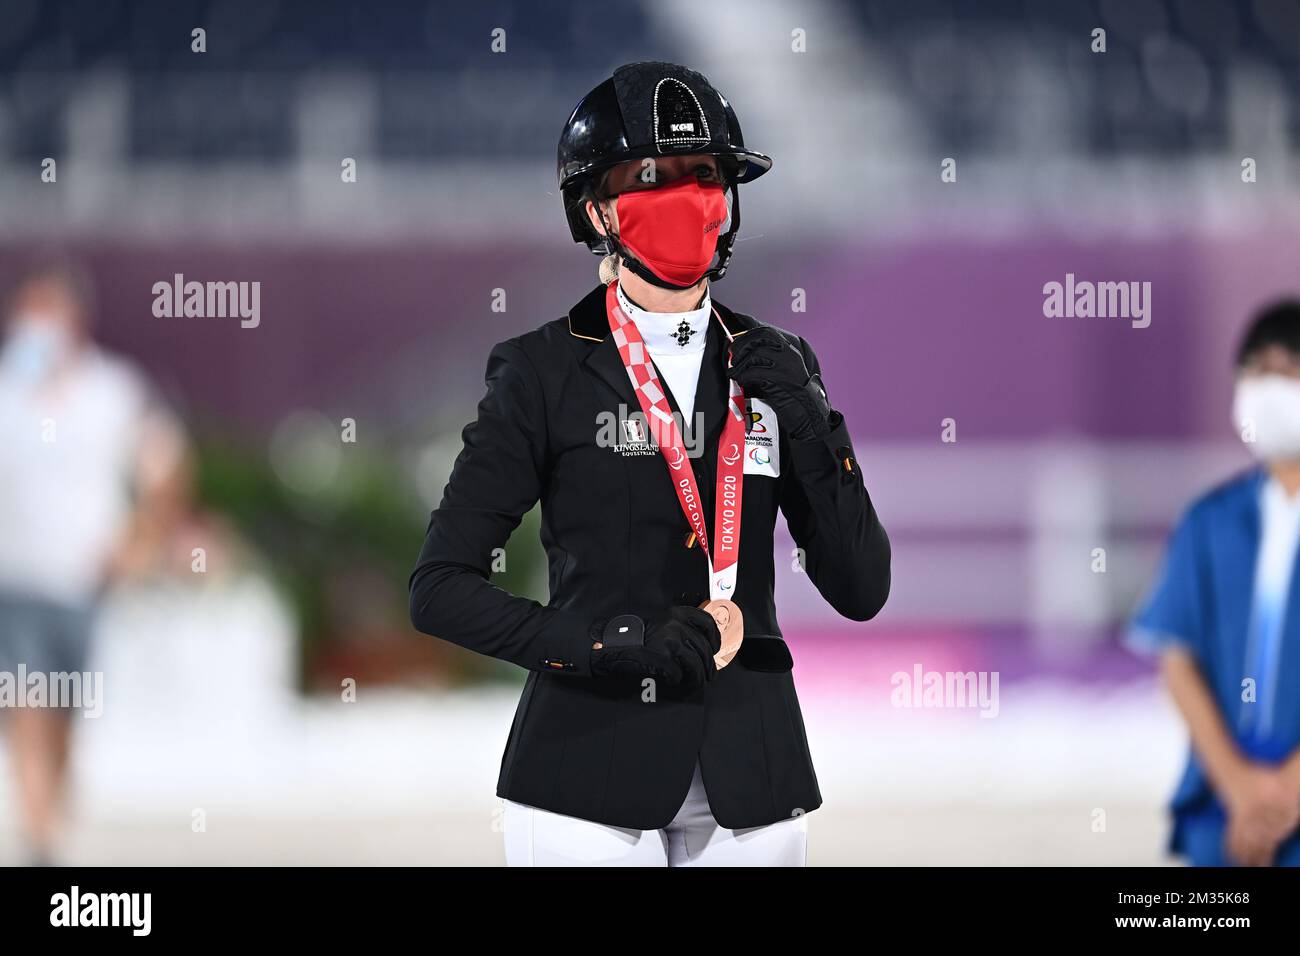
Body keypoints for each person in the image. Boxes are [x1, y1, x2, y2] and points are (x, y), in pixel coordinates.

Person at [410, 62, 890, 866]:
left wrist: (815, 427)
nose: (686, 195)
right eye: (651, 176)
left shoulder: (779, 363)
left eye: (705, 174)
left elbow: (861, 588)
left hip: (753, 772)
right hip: (585, 768)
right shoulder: (541, 372)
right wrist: (608, 644)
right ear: (597, 208)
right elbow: (439, 590)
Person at [0, 262, 186, 865]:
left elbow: (163, 463)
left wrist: (140, 542)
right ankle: (38, 838)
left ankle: (50, 820)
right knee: (25, 704)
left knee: (62, 718)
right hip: (13, 580)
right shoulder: (5, 392)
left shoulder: (112, 391)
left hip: (83, 584)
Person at [1130, 299, 1300, 866]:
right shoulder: (1211, 520)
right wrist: (1239, 786)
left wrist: (1288, 790)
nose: (1270, 390)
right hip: (1222, 811)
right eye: (1256, 372)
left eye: (1287, 370)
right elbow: (1178, 660)